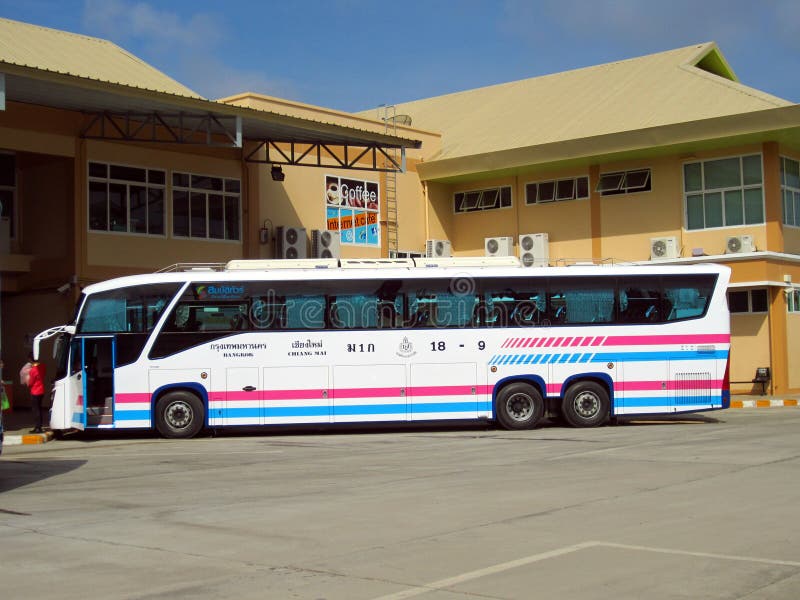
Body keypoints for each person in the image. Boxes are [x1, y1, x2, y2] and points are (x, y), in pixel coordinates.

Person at [26, 353, 46, 433]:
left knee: (36, 410)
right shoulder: (42, 367)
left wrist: (27, 382)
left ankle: (37, 427)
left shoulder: (33, 370)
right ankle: (39, 426)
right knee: (39, 409)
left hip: (35, 391)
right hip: (41, 390)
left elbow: (30, 383)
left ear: (31, 359)